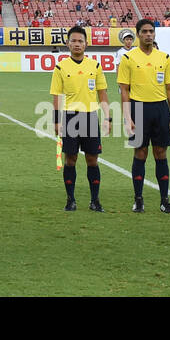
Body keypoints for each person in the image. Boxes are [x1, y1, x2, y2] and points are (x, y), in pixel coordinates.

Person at [118, 19, 170, 214]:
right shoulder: (128, 58)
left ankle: (164, 200)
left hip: (160, 109)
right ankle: (138, 199)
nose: (149, 35)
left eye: (151, 31)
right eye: (144, 31)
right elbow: (124, 90)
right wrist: (127, 117)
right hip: (138, 108)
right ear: (138, 34)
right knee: (140, 153)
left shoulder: (165, 57)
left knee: (161, 154)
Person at [51, 25, 109, 212]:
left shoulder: (95, 66)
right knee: (71, 160)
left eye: (80, 41)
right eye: (73, 41)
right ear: (68, 43)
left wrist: (107, 117)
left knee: (93, 160)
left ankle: (95, 200)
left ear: (86, 44)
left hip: (90, 117)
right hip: (69, 117)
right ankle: (71, 199)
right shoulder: (60, 67)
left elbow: (103, 94)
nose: (77, 44)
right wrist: (56, 121)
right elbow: (57, 96)